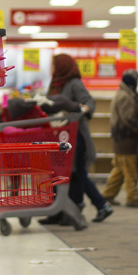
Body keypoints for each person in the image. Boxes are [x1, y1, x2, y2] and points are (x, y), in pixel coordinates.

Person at [41, 53, 113, 224]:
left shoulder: (74, 83)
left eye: (53, 65)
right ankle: (58, 210)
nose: (51, 68)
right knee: (59, 173)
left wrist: (80, 110)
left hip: (75, 137)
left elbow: (89, 102)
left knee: (75, 173)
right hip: (59, 136)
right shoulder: (55, 84)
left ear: (62, 66)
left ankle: (93, 206)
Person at [101, 69, 138, 207]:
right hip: (126, 139)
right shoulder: (126, 96)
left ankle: (108, 194)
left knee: (120, 170)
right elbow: (128, 118)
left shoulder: (124, 93)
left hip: (121, 139)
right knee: (131, 170)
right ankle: (133, 197)